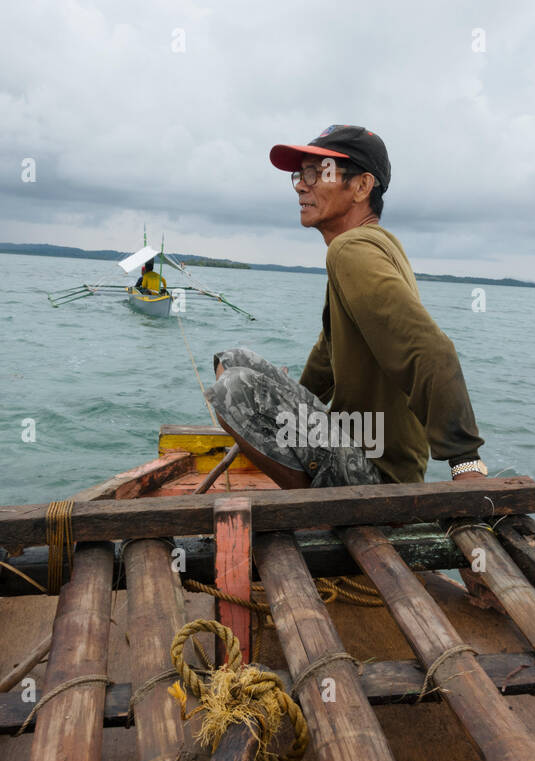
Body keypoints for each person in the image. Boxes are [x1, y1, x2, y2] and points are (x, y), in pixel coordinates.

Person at [206, 124, 487, 488]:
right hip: (356, 438)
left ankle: (325, 511)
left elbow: (432, 350)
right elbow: (328, 352)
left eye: (317, 173)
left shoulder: (350, 250)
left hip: (377, 474)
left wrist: (464, 462)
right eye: (299, 174)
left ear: (361, 186)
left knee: (234, 389)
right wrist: (280, 410)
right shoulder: (373, 245)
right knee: (233, 361)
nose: (302, 185)